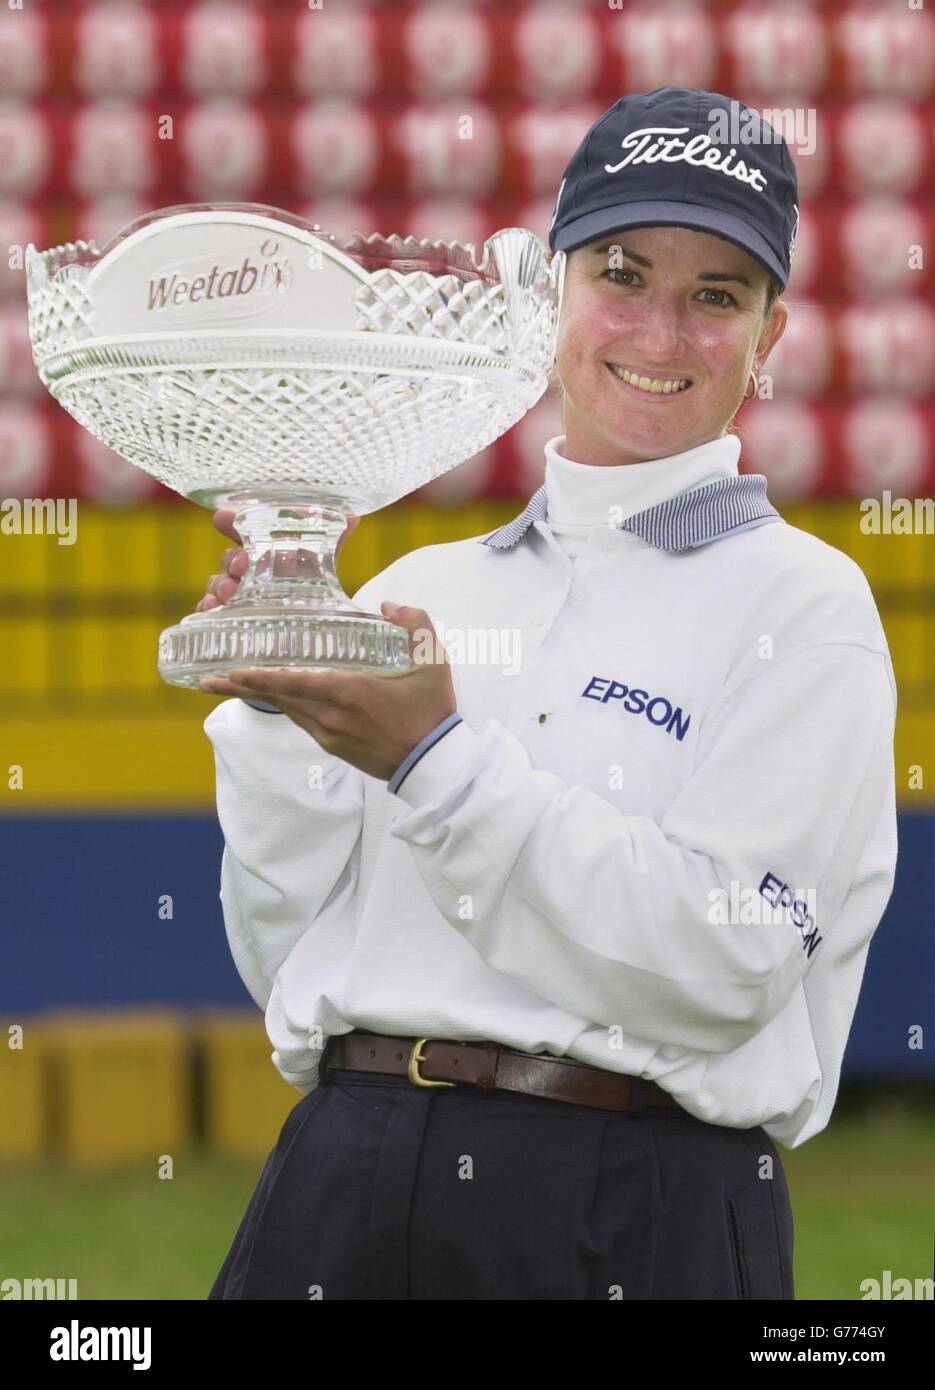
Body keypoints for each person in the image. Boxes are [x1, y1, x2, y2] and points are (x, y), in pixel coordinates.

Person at [197, 87, 897, 1301]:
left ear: (770, 338)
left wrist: (435, 762)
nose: (661, 331)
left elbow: (722, 961)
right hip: (337, 1179)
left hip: (629, 1204)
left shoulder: (806, 607)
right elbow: (285, 953)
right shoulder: (420, 583)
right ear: (548, 296)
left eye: (715, 296)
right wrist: (271, 715)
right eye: (621, 273)